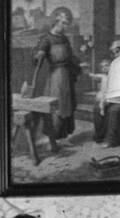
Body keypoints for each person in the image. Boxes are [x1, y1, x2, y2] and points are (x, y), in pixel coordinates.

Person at [32, 7, 81, 146]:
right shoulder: (46, 38)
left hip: (66, 75)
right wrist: (39, 54)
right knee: (56, 107)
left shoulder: (64, 38)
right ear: (56, 20)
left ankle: (63, 137)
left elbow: (70, 56)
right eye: (63, 23)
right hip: (55, 77)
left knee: (67, 106)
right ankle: (51, 138)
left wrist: (77, 63)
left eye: (67, 23)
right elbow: (38, 54)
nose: (65, 26)